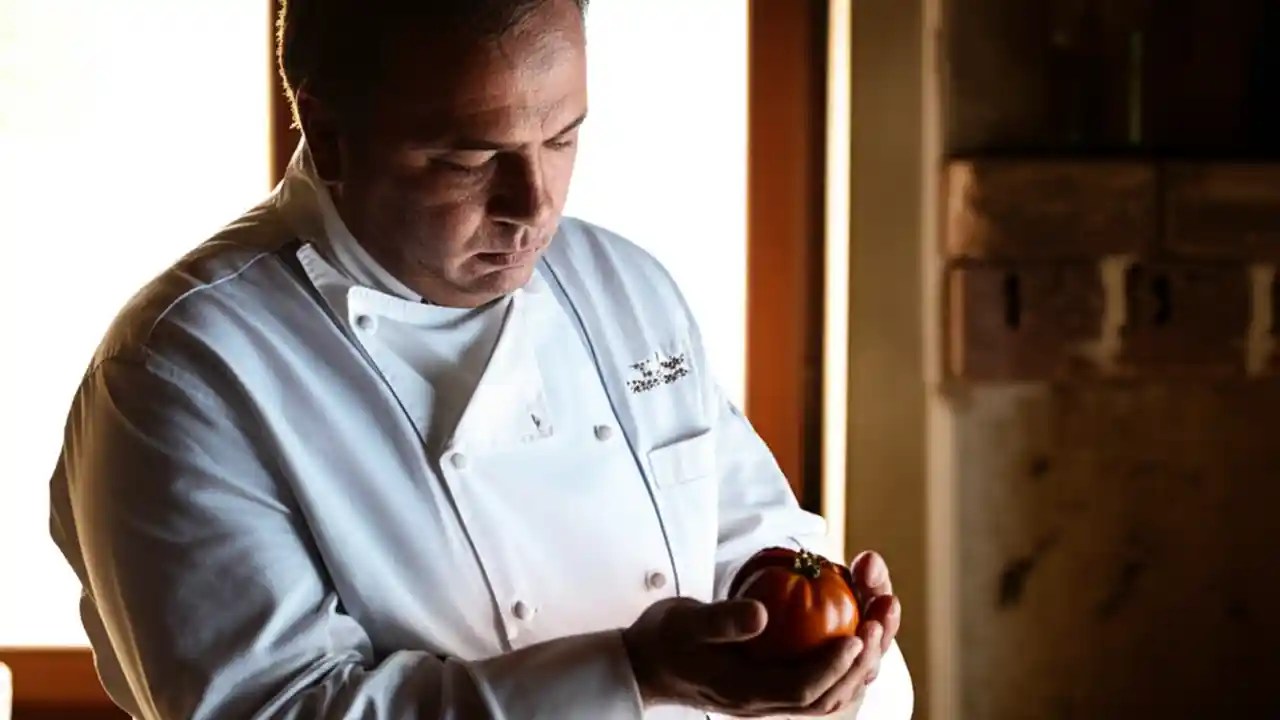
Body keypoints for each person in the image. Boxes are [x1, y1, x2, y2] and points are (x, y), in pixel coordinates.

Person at [48, 1, 913, 717]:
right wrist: (633, 675)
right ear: (329, 130)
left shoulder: (625, 287)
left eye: (563, 138)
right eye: (470, 158)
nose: (533, 207)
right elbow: (271, 708)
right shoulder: (184, 373)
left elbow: (752, 540)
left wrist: (834, 652)